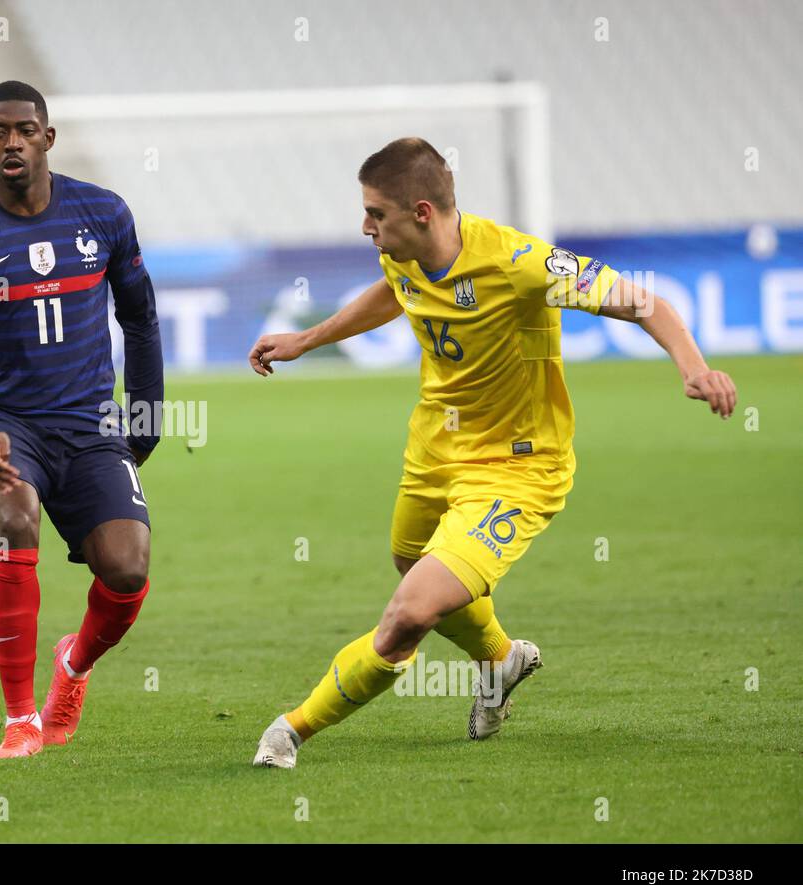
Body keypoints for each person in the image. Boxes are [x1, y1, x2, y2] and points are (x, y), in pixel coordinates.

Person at [248, 137, 737, 768]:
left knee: (410, 614)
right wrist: (307, 340)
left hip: (517, 467)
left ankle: (289, 733)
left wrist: (693, 367)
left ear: (421, 211)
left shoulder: (521, 263)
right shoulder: (405, 254)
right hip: (435, 448)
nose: (365, 226)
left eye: (376, 214)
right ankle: (501, 660)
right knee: (410, 564)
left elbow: (645, 302)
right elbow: (394, 292)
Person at [0, 81, 163, 758]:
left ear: (48, 137)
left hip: (90, 424)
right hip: (10, 425)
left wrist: (145, 415)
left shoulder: (105, 213)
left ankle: (75, 664)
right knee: (13, 515)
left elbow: (140, 318)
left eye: (25, 130)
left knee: (127, 569)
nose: (12, 142)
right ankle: (20, 720)